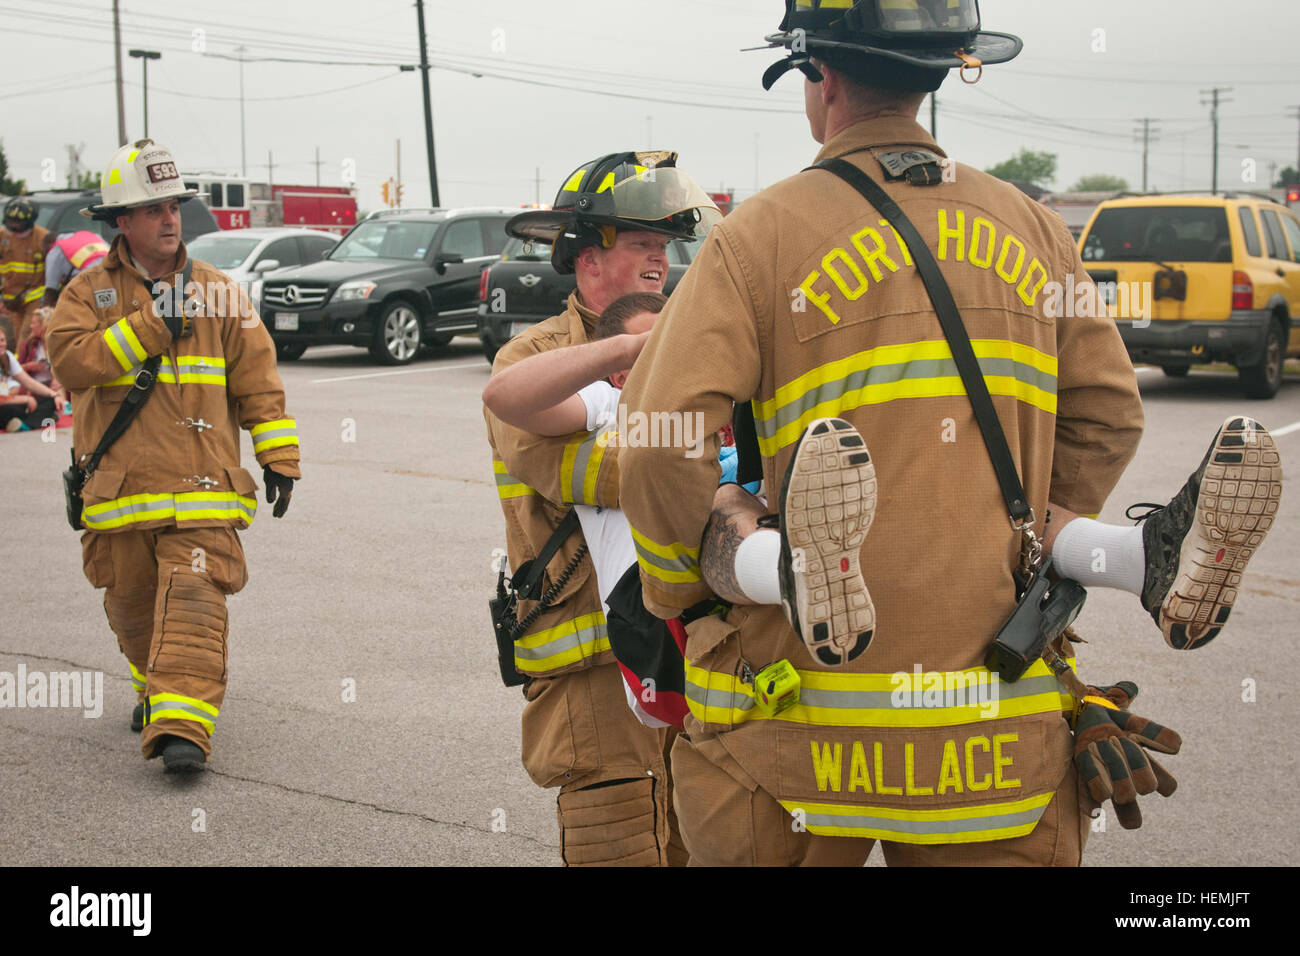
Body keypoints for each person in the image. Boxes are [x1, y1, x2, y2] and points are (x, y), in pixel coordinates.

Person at [616, 0, 1280, 866]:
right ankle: (1134, 554)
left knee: (732, 505)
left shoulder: (758, 238)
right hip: (995, 729)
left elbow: (663, 443)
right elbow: (1112, 409)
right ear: (940, 72)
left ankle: (782, 569)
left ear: (821, 77)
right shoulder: (1037, 227)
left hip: (797, 733)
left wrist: (684, 586)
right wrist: (1031, 534)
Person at [483, 151, 720, 865]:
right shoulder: (535, 357)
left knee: (696, 842)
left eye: (665, 245)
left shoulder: (690, 344)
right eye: (643, 241)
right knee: (618, 846)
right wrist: (701, 477)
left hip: (681, 647)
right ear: (589, 256)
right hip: (588, 661)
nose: (661, 257)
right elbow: (591, 471)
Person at [47, 138, 301, 774]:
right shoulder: (87, 293)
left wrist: (279, 456)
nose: (169, 219)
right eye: (152, 208)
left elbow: (258, 382)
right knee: (131, 605)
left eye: (174, 206)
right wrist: (149, 328)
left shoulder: (219, 294)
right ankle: (152, 684)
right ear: (121, 222)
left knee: (192, 596)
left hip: (202, 489)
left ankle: (182, 726)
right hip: (120, 494)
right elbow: (72, 362)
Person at [0, 197, 49, 350]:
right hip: (11, 300)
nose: (14, 225)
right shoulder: (2, 236)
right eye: (11, 221)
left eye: (18, 222)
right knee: (14, 337)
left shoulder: (43, 238)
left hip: (34, 298)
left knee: (25, 338)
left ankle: (19, 370)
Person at [1, 322, 62, 432]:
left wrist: (54, 394)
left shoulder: (7, 356)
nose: (2, 344)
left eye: (2, 340)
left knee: (51, 401)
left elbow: (28, 382)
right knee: (10, 409)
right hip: (6, 404)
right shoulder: (30, 344)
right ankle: (40, 419)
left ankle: (25, 424)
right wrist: (26, 399)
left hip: (13, 400)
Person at [43, 229, 110, 307]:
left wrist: (44, 312)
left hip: (91, 282)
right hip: (114, 275)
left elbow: (51, 289)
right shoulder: (91, 234)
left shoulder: (56, 249)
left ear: (48, 246)